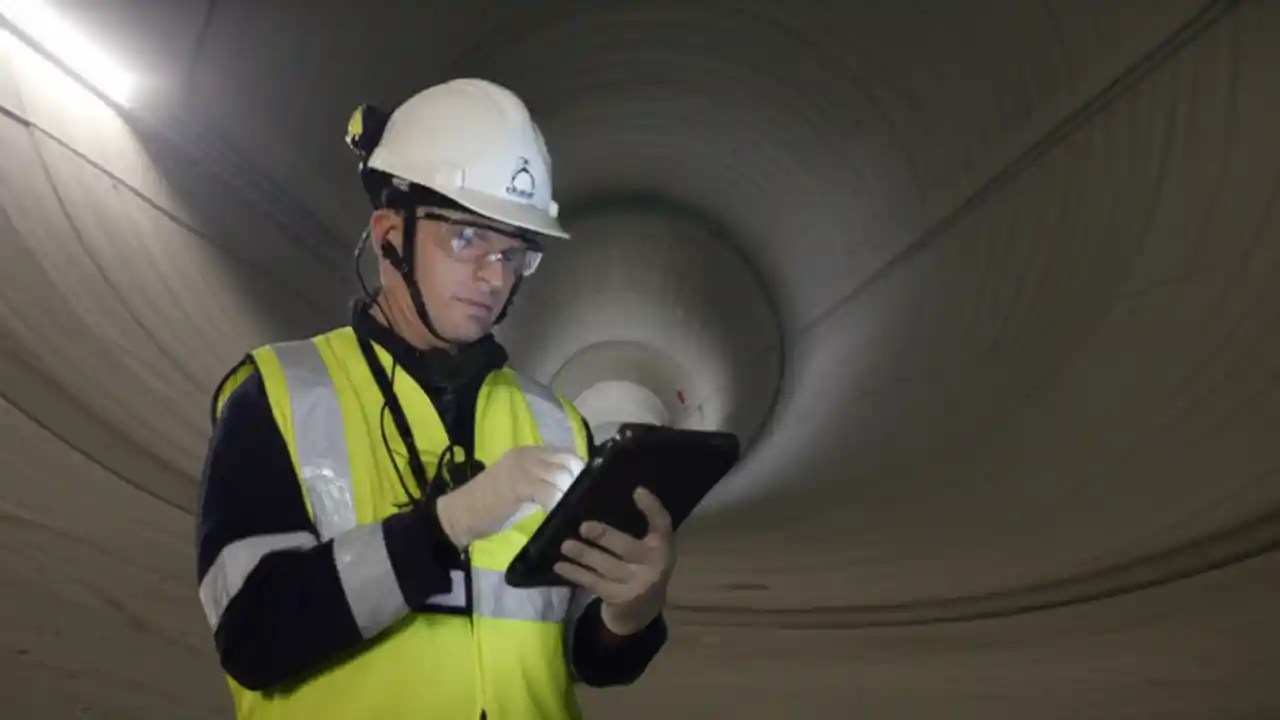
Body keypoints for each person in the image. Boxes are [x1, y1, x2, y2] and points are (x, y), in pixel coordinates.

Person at [195, 78, 675, 719]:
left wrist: (630, 612)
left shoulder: (556, 424)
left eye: (513, 251)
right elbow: (254, 635)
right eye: (466, 238)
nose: (493, 275)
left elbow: (579, 654)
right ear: (390, 232)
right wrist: (447, 525)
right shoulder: (279, 398)